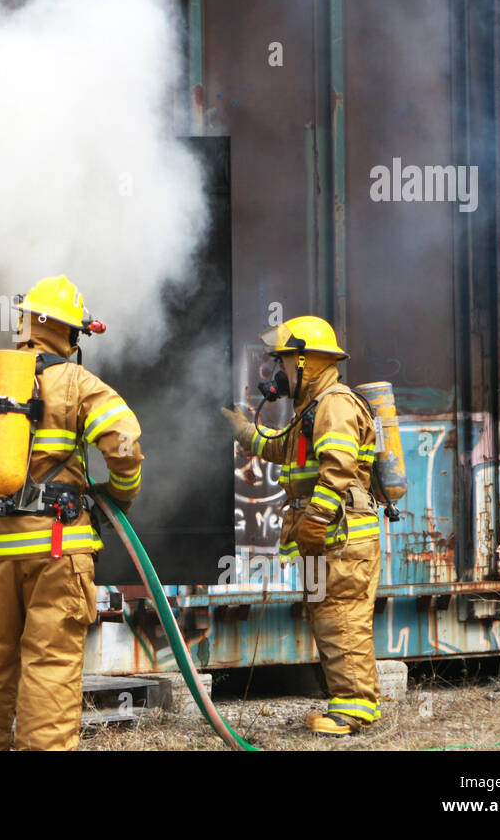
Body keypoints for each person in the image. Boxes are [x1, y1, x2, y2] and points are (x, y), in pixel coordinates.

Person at [0, 275, 143, 750]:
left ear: (25, 322)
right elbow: (125, 443)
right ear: (70, 334)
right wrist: (119, 497)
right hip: (56, 548)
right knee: (49, 665)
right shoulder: (78, 382)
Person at [222, 315, 382, 736]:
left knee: (342, 614)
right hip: (317, 538)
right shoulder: (310, 409)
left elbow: (339, 468)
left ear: (307, 362)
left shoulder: (335, 404)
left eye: (285, 361)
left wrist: (314, 519)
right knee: (323, 613)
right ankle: (342, 699)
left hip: (337, 535)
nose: (280, 371)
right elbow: (279, 448)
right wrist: (239, 429)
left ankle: (354, 708)